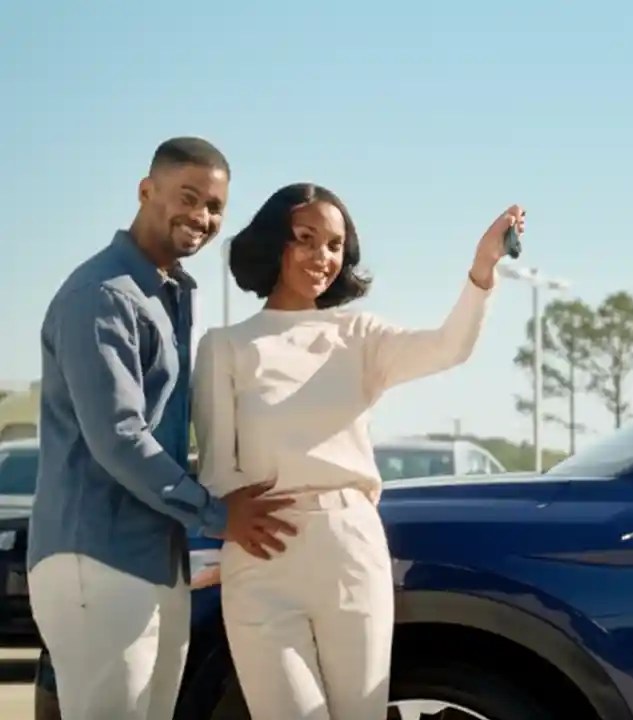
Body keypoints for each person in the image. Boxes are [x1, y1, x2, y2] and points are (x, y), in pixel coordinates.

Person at [192, 181, 523, 719]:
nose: (321, 257)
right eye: (305, 238)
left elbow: (448, 347)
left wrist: (483, 268)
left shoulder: (359, 336)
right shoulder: (225, 347)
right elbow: (216, 471)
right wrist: (227, 530)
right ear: (275, 241)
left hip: (350, 547)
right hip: (262, 557)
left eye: (334, 245)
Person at [27, 137, 299, 720]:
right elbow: (119, 436)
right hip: (96, 560)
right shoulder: (101, 295)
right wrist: (221, 517)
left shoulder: (164, 293)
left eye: (215, 207)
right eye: (188, 197)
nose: (201, 217)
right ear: (146, 191)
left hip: (155, 559)